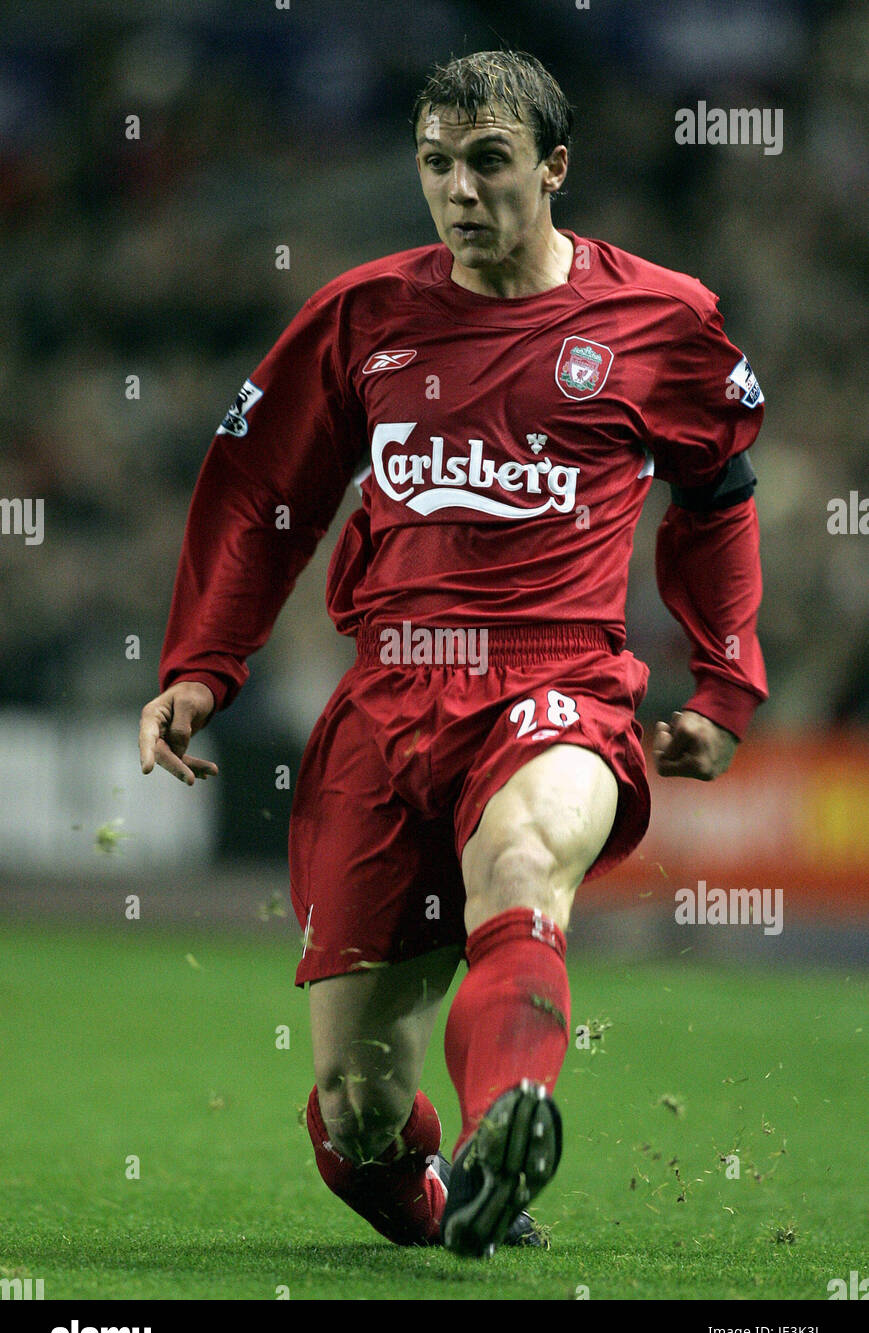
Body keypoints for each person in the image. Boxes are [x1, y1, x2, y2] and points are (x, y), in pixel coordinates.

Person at [138, 50, 767, 1258]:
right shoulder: (360, 316)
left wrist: (724, 680)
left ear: (553, 167)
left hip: (558, 681)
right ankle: (448, 1197)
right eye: (436, 164)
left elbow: (716, 492)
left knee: (523, 859)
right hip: (384, 700)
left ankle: (506, 1119)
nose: (459, 190)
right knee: (355, 1111)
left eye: (488, 162)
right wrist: (202, 664)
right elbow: (259, 493)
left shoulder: (659, 320)